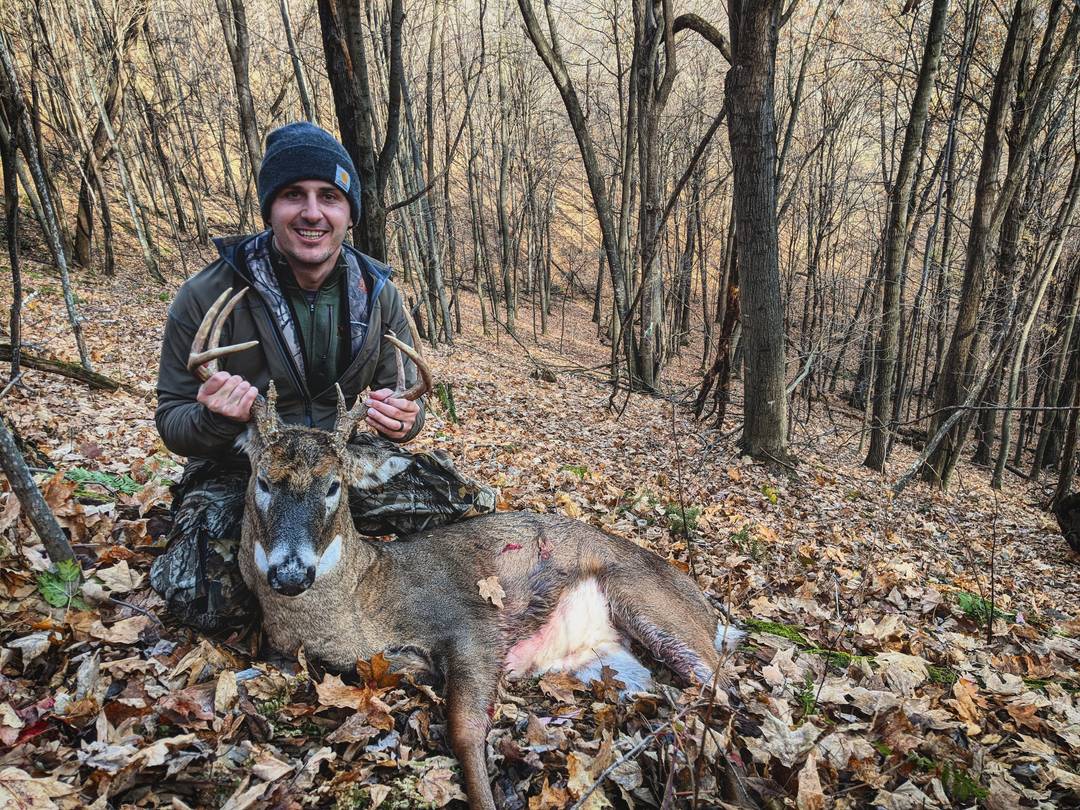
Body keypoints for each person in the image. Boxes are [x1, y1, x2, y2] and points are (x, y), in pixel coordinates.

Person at [150, 122, 494, 631]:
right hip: (246, 466)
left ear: (349, 212)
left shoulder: (379, 293)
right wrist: (216, 419)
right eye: (293, 195)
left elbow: (406, 398)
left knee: (469, 513)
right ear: (270, 207)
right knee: (201, 599)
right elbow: (171, 419)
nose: (312, 212)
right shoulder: (207, 296)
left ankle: (371, 580)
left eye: (329, 197)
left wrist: (405, 420)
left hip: (341, 459)